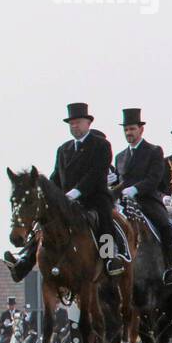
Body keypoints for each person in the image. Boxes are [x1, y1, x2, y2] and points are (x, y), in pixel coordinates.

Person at [51, 102, 124, 277]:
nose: (74, 126)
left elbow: (96, 173)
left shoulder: (101, 145)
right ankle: (26, 257)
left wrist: (76, 192)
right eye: (71, 123)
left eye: (78, 122)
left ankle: (109, 257)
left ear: (88, 123)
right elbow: (56, 175)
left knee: (104, 217)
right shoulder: (63, 149)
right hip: (68, 200)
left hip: (94, 197)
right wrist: (48, 191)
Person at [113, 108, 172, 285]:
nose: (129, 133)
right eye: (126, 129)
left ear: (141, 130)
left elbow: (154, 178)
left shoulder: (154, 150)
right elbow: (120, 181)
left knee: (164, 225)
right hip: (123, 201)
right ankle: (110, 259)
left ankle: (170, 267)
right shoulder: (119, 156)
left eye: (132, 129)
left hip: (147, 199)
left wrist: (135, 189)